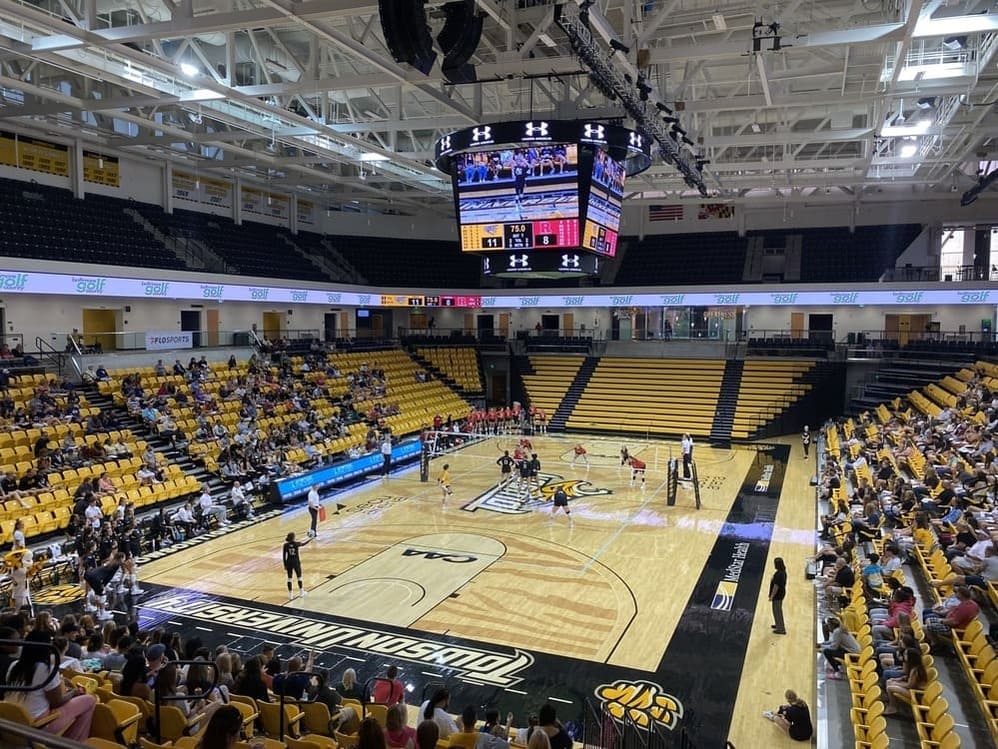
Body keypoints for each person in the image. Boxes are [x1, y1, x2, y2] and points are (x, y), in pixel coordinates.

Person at [3, 630, 96, 741]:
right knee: (89, 700)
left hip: (11, 722)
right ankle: (74, 743)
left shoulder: (14, 666)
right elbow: (57, 702)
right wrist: (73, 693)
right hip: (37, 726)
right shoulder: (46, 669)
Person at [283, 532, 312, 601]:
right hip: (296, 562)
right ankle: (301, 592)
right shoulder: (296, 544)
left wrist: (285, 564)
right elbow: (304, 544)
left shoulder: (285, 545)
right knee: (299, 577)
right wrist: (310, 539)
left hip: (289, 562)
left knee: (289, 578)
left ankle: (290, 595)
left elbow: (284, 556)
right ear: (293, 537)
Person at [769, 557, 787, 635]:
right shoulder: (782, 571)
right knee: (776, 610)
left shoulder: (778, 574)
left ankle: (781, 629)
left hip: (778, 595)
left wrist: (771, 596)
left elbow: (776, 587)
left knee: (777, 611)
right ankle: (778, 625)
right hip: (781, 594)